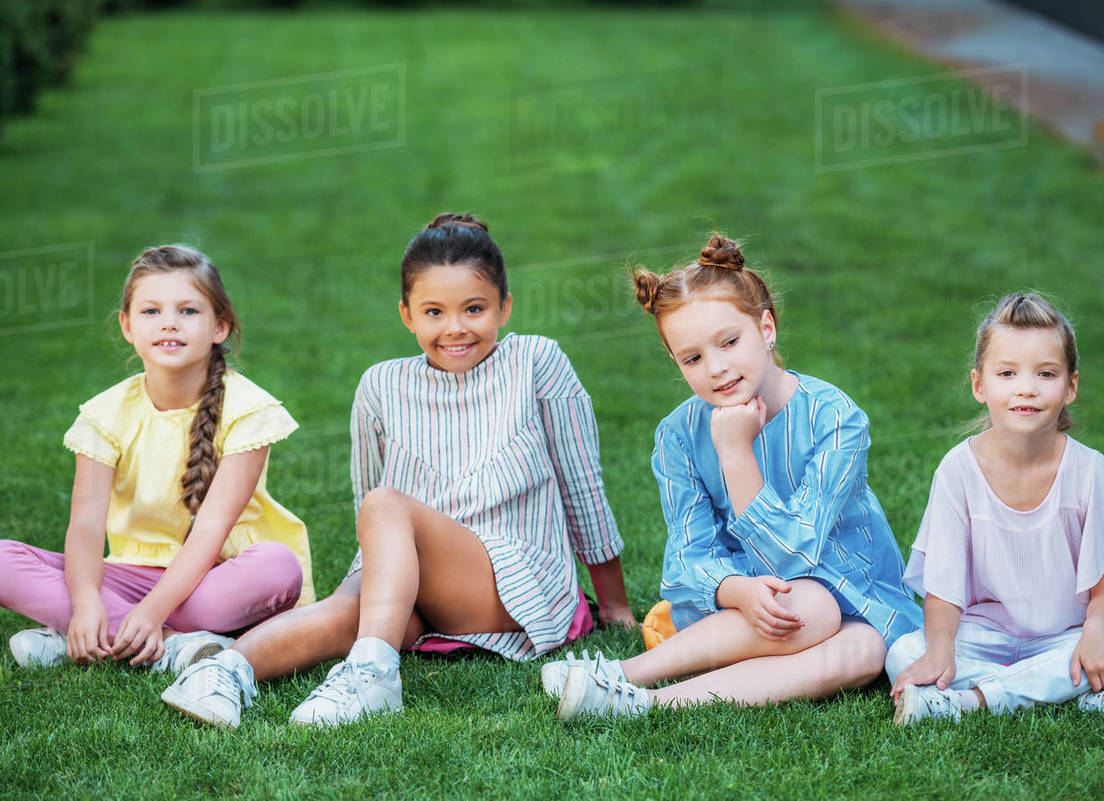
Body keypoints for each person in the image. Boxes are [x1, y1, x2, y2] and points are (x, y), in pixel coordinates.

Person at [162, 213, 635, 728]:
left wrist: (613, 606)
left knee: (385, 503)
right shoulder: (380, 387)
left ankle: (372, 676)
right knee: (354, 603)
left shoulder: (537, 361)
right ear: (407, 315)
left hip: (514, 582)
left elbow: (582, 485)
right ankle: (226, 673)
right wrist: (356, 595)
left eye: (474, 309)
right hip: (412, 578)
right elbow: (373, 520)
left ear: (505, 307)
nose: (454, 328)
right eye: (434, 312)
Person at [543, 234, 921, 720]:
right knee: (806, 608)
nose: (717, 369)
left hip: (852, 594)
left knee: (864, 650)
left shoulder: (835, 419)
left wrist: (736, 452)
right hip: (745, 609)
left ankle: (644, 702)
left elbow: (794, 559)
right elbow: (687, 558)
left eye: (729, 342)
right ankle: (624, 673)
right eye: (693, 358)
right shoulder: (679, 434)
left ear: (766, 327)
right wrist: (737, 591)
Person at [0, 245, 312, 675]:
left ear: (219, 326)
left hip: (216, 576)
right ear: (127, 326)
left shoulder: (247, 410)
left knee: (278, 567)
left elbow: (209, 532)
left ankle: (100, 632)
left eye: (188, 310)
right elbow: (86, 526)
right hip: (130, 573)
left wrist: (151, 611)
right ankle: (171, 644)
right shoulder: (105, 414)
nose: (169, 322)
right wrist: (88, 598)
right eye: (151, 311)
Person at [886, 291, 1104, 725]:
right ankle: (1078, 696)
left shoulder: (1091, 474)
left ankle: (969, 702)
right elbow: (944, 593)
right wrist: (939, 651)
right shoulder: (958, 471)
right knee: (904, 652)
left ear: (1071, 386)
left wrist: (1098, 631)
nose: (1026, 387)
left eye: (1046, 373)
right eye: (1007, 373)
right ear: (979, 385)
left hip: (1064, 637)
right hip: (981, 637)